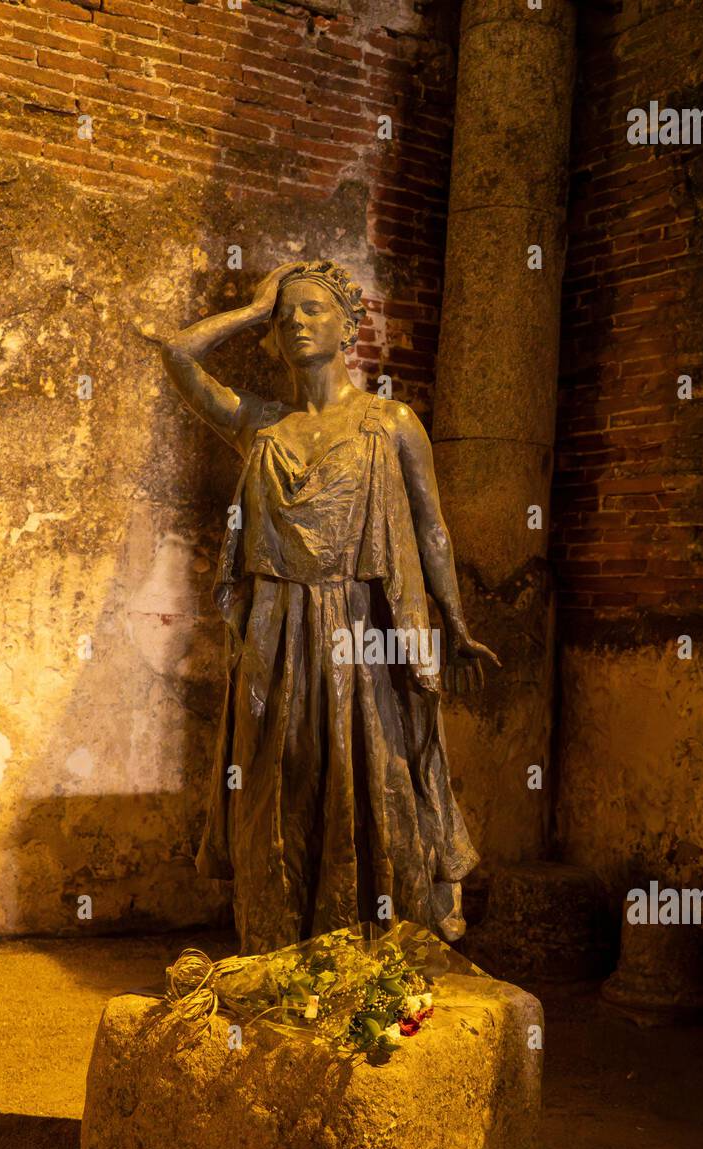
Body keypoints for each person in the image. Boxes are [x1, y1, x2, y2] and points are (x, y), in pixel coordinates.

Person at [160, 259, 499, 953]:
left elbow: (433, 529)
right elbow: (177, 352)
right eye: (286, 316)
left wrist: (455, 626)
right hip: (274, 628)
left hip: (361, 624)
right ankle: (279, 945)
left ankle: (374, 944)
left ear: (352, 325)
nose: (296, 322)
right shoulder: (260, 423)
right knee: (274, 779)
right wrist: (258, 307)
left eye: (313, 309)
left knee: (368, 773)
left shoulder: (391, 422)